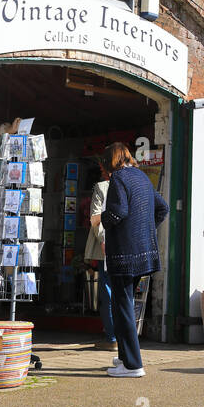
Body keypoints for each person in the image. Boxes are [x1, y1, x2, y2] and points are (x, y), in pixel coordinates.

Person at [100, 141, 168, 378]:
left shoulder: (119, 178)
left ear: (111, 161)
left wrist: (103, 219)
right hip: (144, 252)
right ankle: (124, 358)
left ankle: (133, 364)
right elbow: (163, 208)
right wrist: (145, 229)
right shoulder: (141, 177)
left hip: (124, 254)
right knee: (124, 305)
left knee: (123, 308)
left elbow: (118, 212)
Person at [83, 158, 117, 350]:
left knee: (109, 292)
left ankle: (112, 338)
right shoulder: (134, 186)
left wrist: (103, 239)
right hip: (126, 247)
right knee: (123, 293)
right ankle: (122, 336)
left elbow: (95, 217)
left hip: (107, 249)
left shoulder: (102, 187)